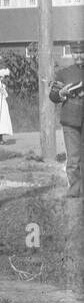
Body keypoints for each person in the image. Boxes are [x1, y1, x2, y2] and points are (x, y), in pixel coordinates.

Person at [49, 43, 83, 198]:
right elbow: (53, 96)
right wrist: (61, 92)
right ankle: (75, 190)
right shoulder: (64, 73)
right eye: (75, 53)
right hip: (70, 120)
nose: (79, 56)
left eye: (82, 52)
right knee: (74, 157)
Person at [0, 68, 14, 144]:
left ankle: (0, 138)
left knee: (2, 120)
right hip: (0, 102)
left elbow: (5, 94)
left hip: (3, 102)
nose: (3, 79)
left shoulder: (1, 85)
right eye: (2, 77)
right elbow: (5, 93)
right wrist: (0, 81)